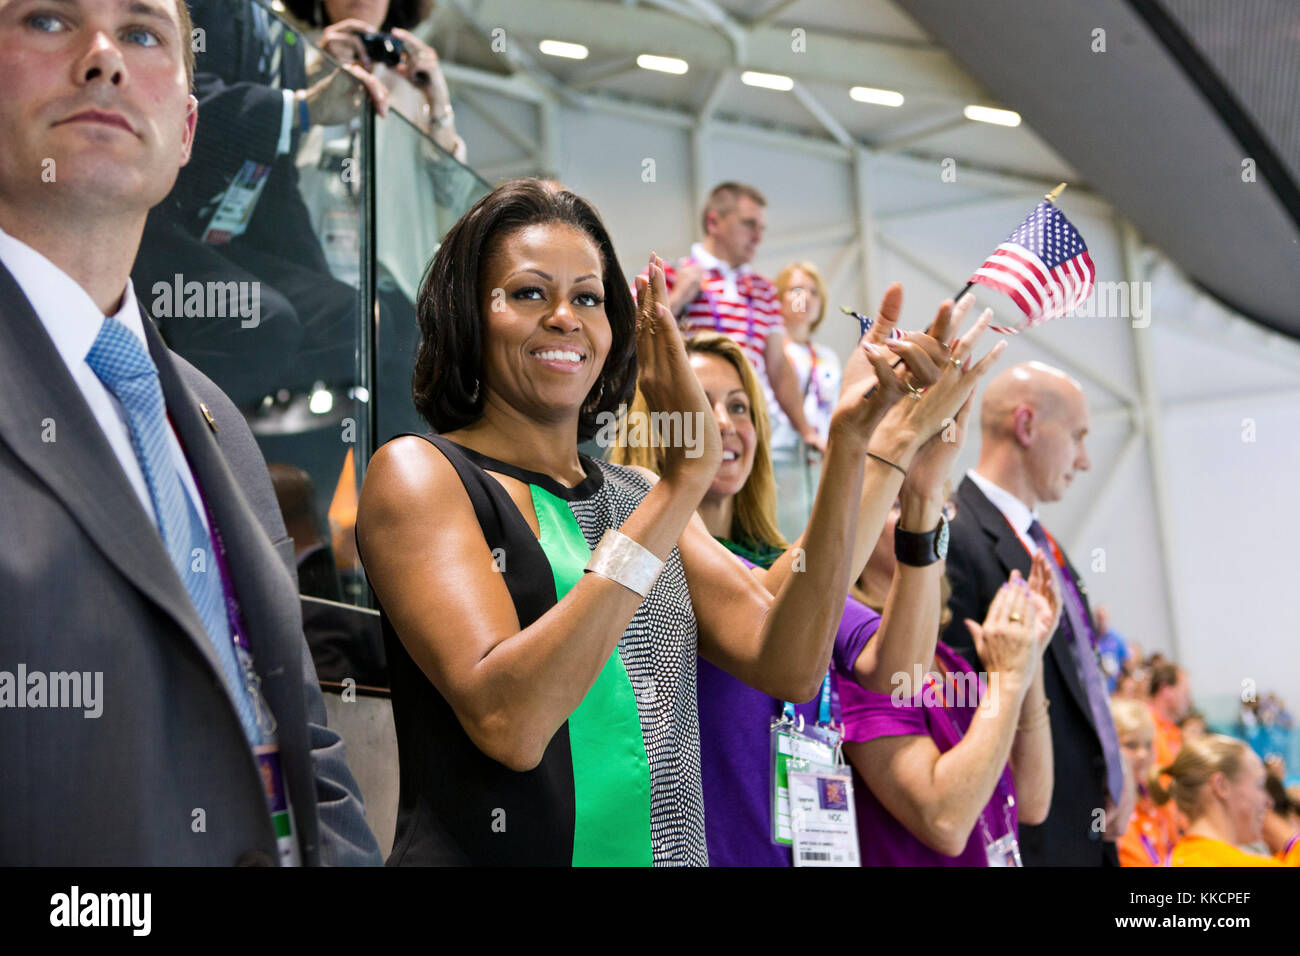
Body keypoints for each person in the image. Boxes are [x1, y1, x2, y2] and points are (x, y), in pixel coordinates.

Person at [354, 178, 1002, 865]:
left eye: (587, 298)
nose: (564, 317)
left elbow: (787, 662)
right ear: (467, 315)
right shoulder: (422, 474)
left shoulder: (636, 494)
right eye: (528, 293)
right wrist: (682, 484)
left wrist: (861, 443)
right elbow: (510, 721)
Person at [0, 0, 379, 864]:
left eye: (142, 34)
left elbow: (304, 743)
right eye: (49, 21)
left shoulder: (218, 428)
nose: (104, 58)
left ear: (185, 134)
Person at [610, 298, 1007, 865]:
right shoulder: (655, 552)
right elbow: (766, 607)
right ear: (654, 421)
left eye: (741, 407)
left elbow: (898, 672)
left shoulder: (783, 557)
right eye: (701, 406)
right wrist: (882, 447)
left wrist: (921, 493)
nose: (724, 423)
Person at [943, 361, 1133, 866]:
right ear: (1026, 425)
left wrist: (1112, 766)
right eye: (1078, 437)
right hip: (1032, 835)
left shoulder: (1046, 546)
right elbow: (955, 709)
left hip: (1084, 826)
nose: (1085, 460)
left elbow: (1081, 681)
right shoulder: (957, 537)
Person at [658, 182, 828, 455]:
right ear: (714, 221)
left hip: (750, 428)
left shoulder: (764, 289)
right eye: (749, 225)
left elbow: (778, 366)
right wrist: (677, 297)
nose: (758, 237)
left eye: (762, 229)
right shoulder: (668, 274)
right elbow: (633, 340)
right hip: (690, 426)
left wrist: (806, 431)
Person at [767, 261, 841, 540]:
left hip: (819, 462)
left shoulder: (828, 356)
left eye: (814, 292)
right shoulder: (770, 354)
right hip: (780, 462)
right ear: (779, 299)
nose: (807, 297)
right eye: (797, 290)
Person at [1158, 736, 1300, 866]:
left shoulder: (1171, 860)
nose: (1269, 802)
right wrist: (1285, 833)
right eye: (1259, 785)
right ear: (1222, 786)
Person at [1111, 699, 1180, 866]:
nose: (1142, 754)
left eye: (1149, 745)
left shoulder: (1159, 801)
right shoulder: (1105, 811)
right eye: (1131, 745)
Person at [1148, 661, 1190, 769]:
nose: (1189, 701)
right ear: (1166, 690)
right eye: (1185, 694)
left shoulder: (1173, 730)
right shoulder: (1146, 726)